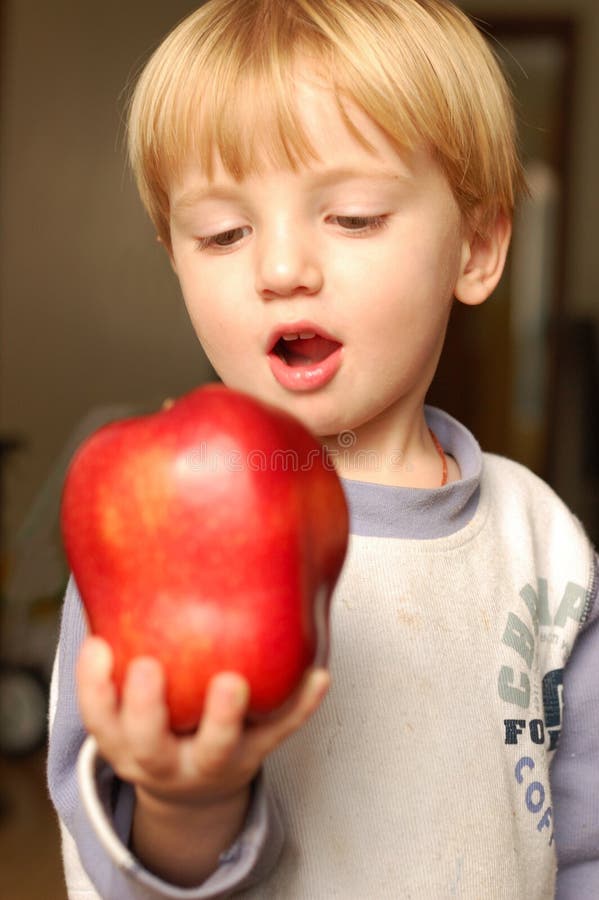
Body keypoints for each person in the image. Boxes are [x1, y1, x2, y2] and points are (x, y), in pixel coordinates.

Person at [48, 1, 599, 897]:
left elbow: (583, 842)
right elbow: (113, 856)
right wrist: (189, 804)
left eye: (351, 216)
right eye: (223, 234)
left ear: (478, 247)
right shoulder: (160, 531)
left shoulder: (543, 541)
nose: (278, 269)